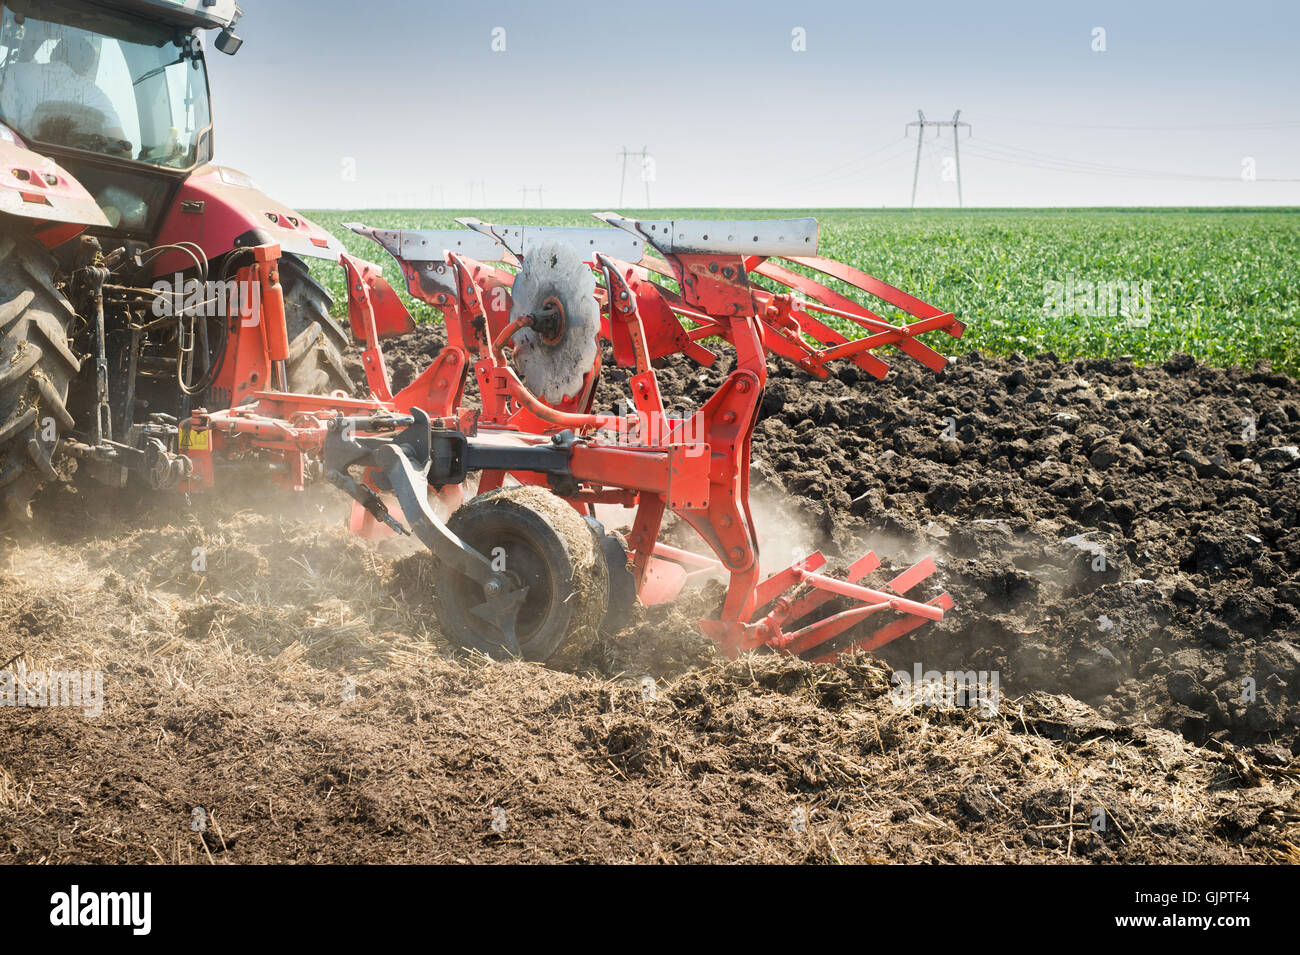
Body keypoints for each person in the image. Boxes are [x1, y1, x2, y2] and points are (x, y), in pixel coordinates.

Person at [0, 32, 127, 149]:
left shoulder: (12, 72)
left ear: (53, 53)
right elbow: (123, 149)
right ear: (87, 68)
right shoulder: (96, 95)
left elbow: (6, 126)